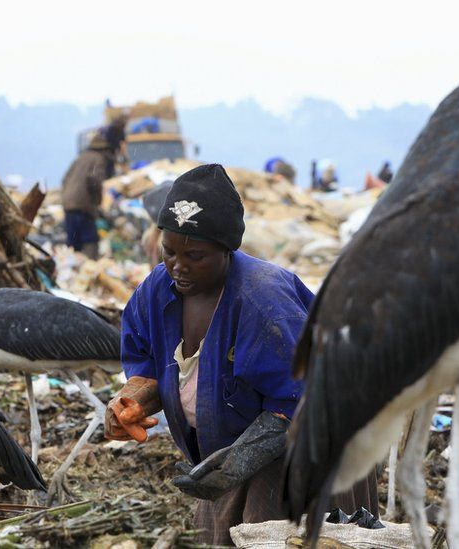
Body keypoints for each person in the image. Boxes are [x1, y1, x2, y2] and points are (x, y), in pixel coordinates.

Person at [105, 164, 378, 545]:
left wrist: (237, 463)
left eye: (195, 255)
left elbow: (301, 400)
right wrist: (130, 402)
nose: (178, 266)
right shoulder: (156, 291)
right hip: (224, 460)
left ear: (226, 250)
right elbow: (148, 364)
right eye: (170, 251)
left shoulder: (264, 303)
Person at [60, 133, 114, 259]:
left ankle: (73, 268)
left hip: (68, 204)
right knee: (90, 239)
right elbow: (95, 181)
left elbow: (65, 180)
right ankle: (91, 266)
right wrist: (96, 201)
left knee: (73, 241)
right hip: (83, 205)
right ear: (103, 150)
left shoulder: (80, 158)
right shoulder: (98, 159)